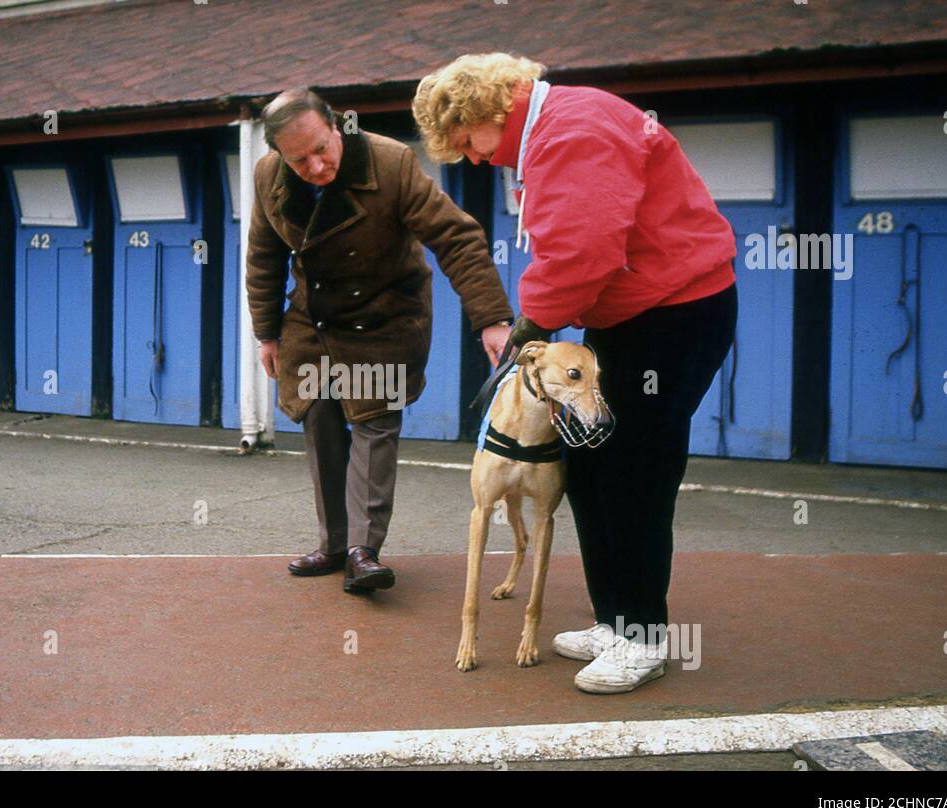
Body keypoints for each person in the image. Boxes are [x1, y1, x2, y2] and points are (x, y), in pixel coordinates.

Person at [413, 53, 738, 692]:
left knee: (635, 468)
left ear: (488, 109)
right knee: (587, 460)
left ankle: (642, 637)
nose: (474, 158)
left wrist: (533, 320)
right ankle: (615, 618)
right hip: (628, 314)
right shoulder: (546, 134)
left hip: (675, 312)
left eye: (468, 142)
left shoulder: (574, 129)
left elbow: (585, 247)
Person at [246, 87, 514, 595]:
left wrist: (492, 319)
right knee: (320, 417)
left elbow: (455, 238)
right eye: (300, 160)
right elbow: (263, 254)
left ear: (335, 127)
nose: (318, 166)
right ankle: (333, 544)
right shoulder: (267, 176)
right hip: (314, 319)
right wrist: (266, 331)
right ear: (279, 154)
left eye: (323, 149)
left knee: (372, 424)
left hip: (384, 317)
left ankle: (363, 553)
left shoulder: (390, 163)